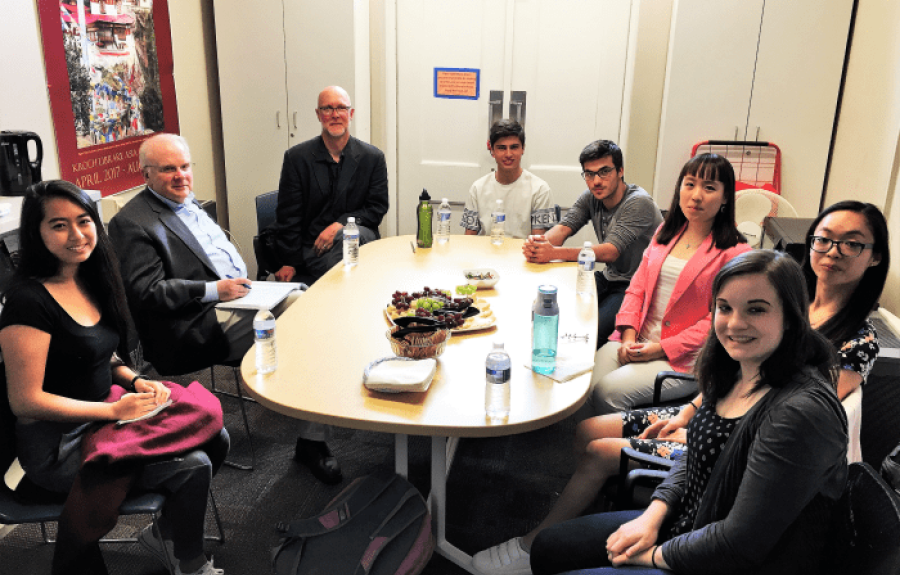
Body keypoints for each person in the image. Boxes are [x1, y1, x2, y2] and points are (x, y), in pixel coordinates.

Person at [530, 249, 848, 575]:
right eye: (724, 308)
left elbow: (740, 544)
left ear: (791, 316)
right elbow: (698, 454)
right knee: (549, 548)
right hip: (691, 523)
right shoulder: (739, 367)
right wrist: (653, 515)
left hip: (729, 562)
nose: (735, 323)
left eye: (756, 309)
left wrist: (651, 556)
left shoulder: (799, 414)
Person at [0, 180, 229, 575]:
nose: (77, 235)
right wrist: (113, 412)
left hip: (105, 413)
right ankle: (189, 562)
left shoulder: (89, 279)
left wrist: (135, 380)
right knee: (192, 465)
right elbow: (25, 401)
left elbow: (102, 353)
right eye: (59, 225)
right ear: (36, 233)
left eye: (83, 220)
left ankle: (167, 533)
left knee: (215, 435)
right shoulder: (28, 302)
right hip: (57, 444)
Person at [108, 134, 341, 485]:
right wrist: (214, 290)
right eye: (168, 169)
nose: (180, 176)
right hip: (190, 325)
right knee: (307, 321)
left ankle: (301, 402)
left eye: (185, 166)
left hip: (234, 299)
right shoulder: (131, 222)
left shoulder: (189, 203)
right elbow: (146, 292)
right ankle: (312, 439)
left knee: (310, 304)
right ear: (146, 174)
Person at [589, 153, 751, 415]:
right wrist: (628, 337)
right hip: (635, 338)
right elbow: (636, 288)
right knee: (587, 383)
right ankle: (592, 436)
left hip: (682, 358)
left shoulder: (736, 252)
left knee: (607, 392)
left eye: (709, 188)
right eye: (690, 184)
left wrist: (661, 349)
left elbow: (718, 320)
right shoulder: (665, 232)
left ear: (725, 197)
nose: (696, 195)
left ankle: (623, 439)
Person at [522, 140, 662, 347]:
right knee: (551, 306)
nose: (596, 181)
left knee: (588, 334)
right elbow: (564, 228)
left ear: (620, 171)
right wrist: (538, 244)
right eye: (589, 174)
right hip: (610, 277)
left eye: (604, 172)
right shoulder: (591, 197)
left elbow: (610, 251)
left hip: (636, 286)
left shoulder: (639, 202)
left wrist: (552, 253)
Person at [272, 85, 389, 283]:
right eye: (327, 109)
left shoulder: (373, 157)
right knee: (351, 270)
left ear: (351, 114)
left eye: (341, 108)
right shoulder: (297, 158)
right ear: (318, 114)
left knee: (349, 237)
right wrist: (289, 262)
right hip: (315, 248)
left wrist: (340, 225)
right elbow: (289, 215)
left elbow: (376, 208)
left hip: (359, 239)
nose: (335, 115)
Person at [461, 119, 555, 238]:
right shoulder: (477, 188)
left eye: (514, 147)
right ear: (492, 150)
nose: (508, 154)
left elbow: (538, 243)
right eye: (502, 148)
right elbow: (469, 239)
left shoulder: (540, 190)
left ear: (523, 149)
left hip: (524, 250)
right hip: (487, 249)